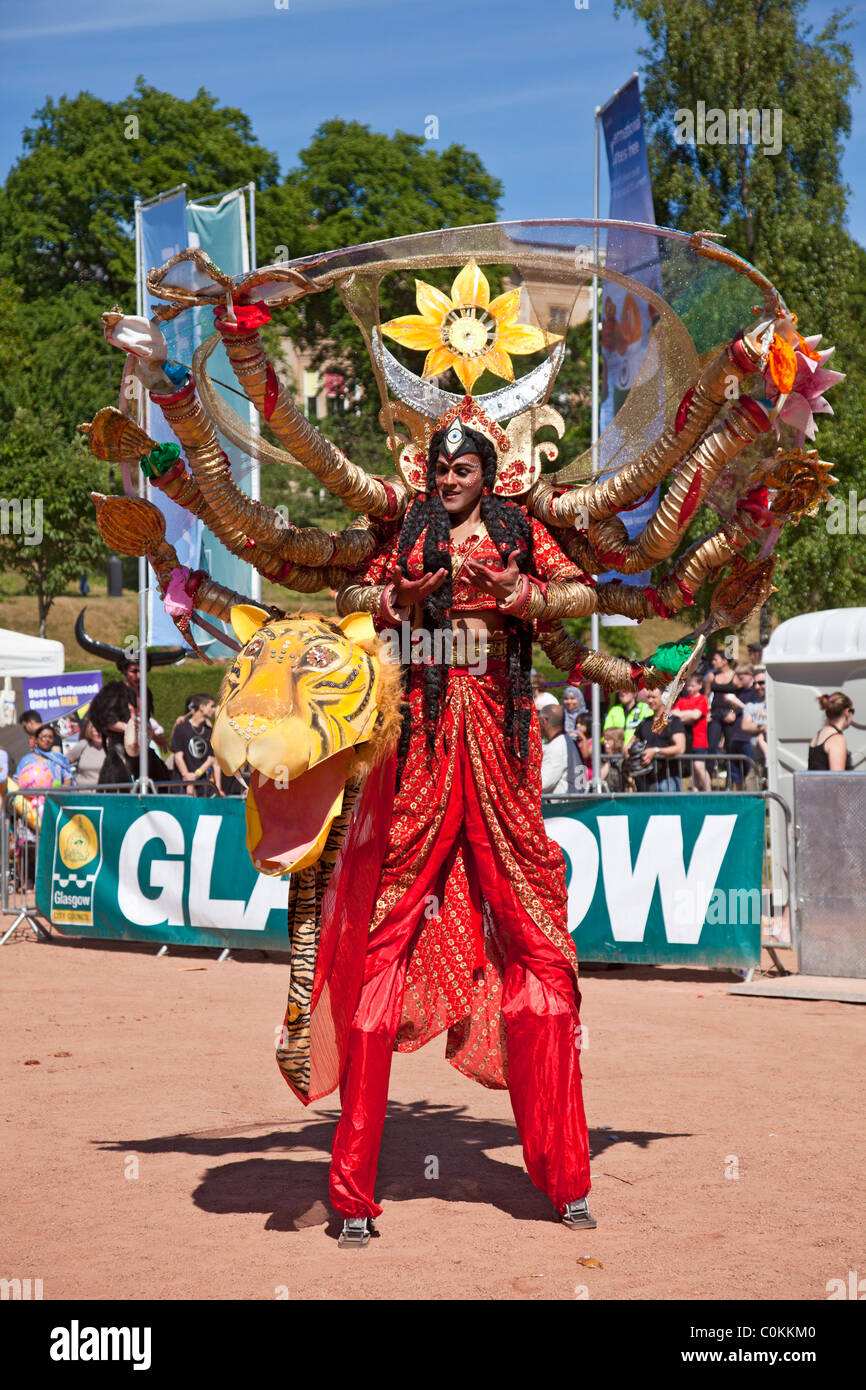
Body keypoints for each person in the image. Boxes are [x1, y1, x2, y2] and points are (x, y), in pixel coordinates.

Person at [323, 408, 604, 1245]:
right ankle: (350, 1194)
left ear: (490, 472)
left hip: (501, 744)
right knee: (381, 947)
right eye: (440, 470)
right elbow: (347, 593)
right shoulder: (410, 529)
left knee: (540, 947)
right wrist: (395, 596)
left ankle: (566, 1175)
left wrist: (519, 593)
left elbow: (578, 594)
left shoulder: (519, 529)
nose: (449, 481)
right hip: (421, 740)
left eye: (464, 470)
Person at [632, 688, 686, 791]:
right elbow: (631, 743)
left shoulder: (673, 721)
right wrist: (628, 751)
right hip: (646, 779)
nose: (650, 701)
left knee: (668, 807)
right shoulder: (644, 722)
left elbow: (680, 748)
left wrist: (656, 751)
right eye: (648, 697)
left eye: (653, 697)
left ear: (664, 698)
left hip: (668, 778)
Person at [171, 694, 218, 793]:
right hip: (181, 786)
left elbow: (210, 759)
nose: (214, 710)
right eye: (212, 706)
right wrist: (187, 779)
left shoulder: (210, 731)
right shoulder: (181, 728)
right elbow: (178, 756)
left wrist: (195, 775)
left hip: (203, 786)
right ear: (202, 707)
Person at [704, 649, 737, 780]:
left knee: (730, 746)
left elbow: (738, 696)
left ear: (724, 661)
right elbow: (706, 695)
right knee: (711, 746)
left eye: (716, 659)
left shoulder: (735, 676)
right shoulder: (712, 676)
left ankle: (731, 780)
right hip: (715, 714)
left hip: (729, 715)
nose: (713, 662)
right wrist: (706, 712)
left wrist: (733, 712)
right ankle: (708, 780)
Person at [674, 672, 711, 790]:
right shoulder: (682, 700)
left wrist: (682, 715)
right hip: (687, 740)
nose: (689, 688)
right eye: (688, 686)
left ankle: (709, 792)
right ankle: (695, 792)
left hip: (699, 739)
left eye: (693, 686)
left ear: (700, 685)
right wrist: (688, 714)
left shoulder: (702, 699)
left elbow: (696, 715)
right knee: (692, 770)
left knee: (699, 766)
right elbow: (673, 714)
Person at [539, 703, 586, 794]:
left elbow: (543, 783)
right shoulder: (565, 741)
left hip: (563, 805)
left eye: (538, 721)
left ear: (544, 721)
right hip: (571, 801)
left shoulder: (557, 745)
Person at [808, 691, 855, 771]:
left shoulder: (818, 735)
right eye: (852, 711)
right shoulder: (837, 739)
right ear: (847, 712)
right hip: (827, 784)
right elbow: (837, 779)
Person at [66, 719, 106, 789]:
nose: (99, 734)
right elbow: (64, 762)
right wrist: (70, 780)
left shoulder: (111, 748)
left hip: (106, 793)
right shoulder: (83, 744)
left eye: (102, 731)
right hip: (83, 793)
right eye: (96, 731)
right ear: (90, 731)